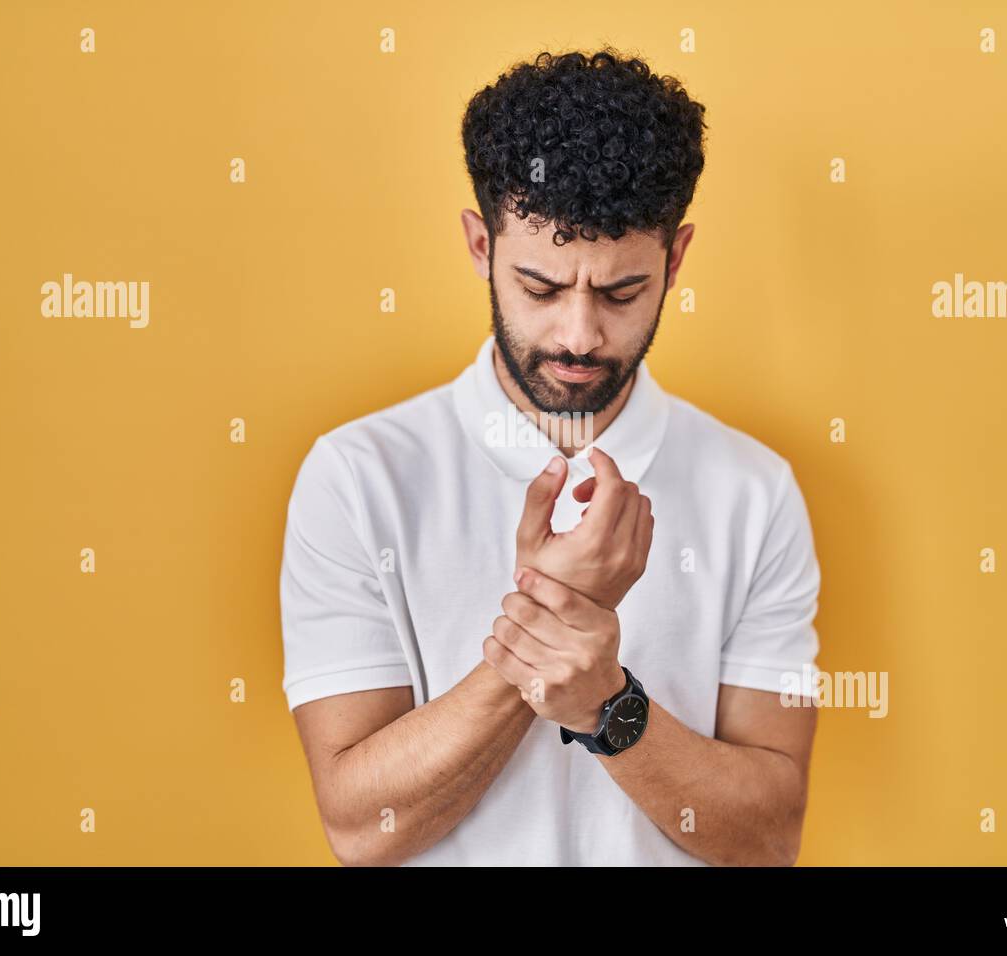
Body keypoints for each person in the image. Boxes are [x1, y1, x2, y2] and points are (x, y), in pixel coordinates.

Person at [280, 49, 822, 866]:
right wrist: (555, 617)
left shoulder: (754, 492)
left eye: (620, 293)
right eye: (539, 288)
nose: (578, 336)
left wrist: (607, 702)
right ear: (479, 245)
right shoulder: (358, 479)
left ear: (675, 260)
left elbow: (768, 839)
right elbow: (361, 829)